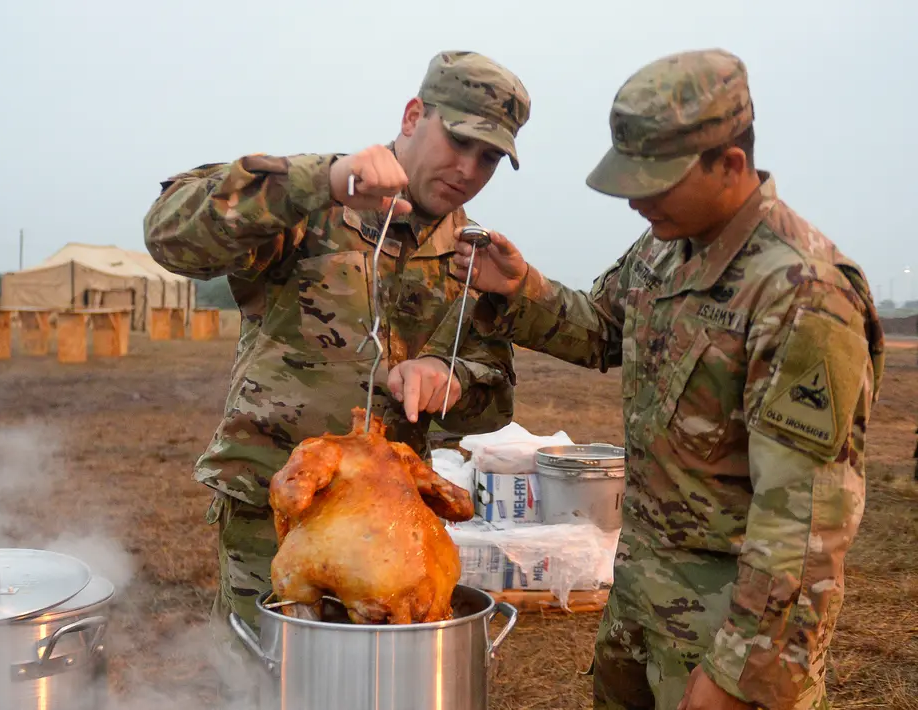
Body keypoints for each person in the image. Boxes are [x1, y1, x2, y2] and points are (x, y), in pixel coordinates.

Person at [453, 48, 884, 710]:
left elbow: (804, 525)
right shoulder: (663, 248)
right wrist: (522, 289)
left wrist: (741, 675)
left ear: (730, 164)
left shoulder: (800, 291)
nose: (634, 199)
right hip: (641, 604)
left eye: (655, 179)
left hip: (727, 630)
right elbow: (599, 328)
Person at [144, 50, 530, 640]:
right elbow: (169, 233)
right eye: (458, 141)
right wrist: (316, 181)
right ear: (412, 116)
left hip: (392, 538)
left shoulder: (471, 257)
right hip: (273, 516)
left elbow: (495, 390)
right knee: (267, 682)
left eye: (490, 158)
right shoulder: (318, 207)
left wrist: (454, 379)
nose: (469, 169)